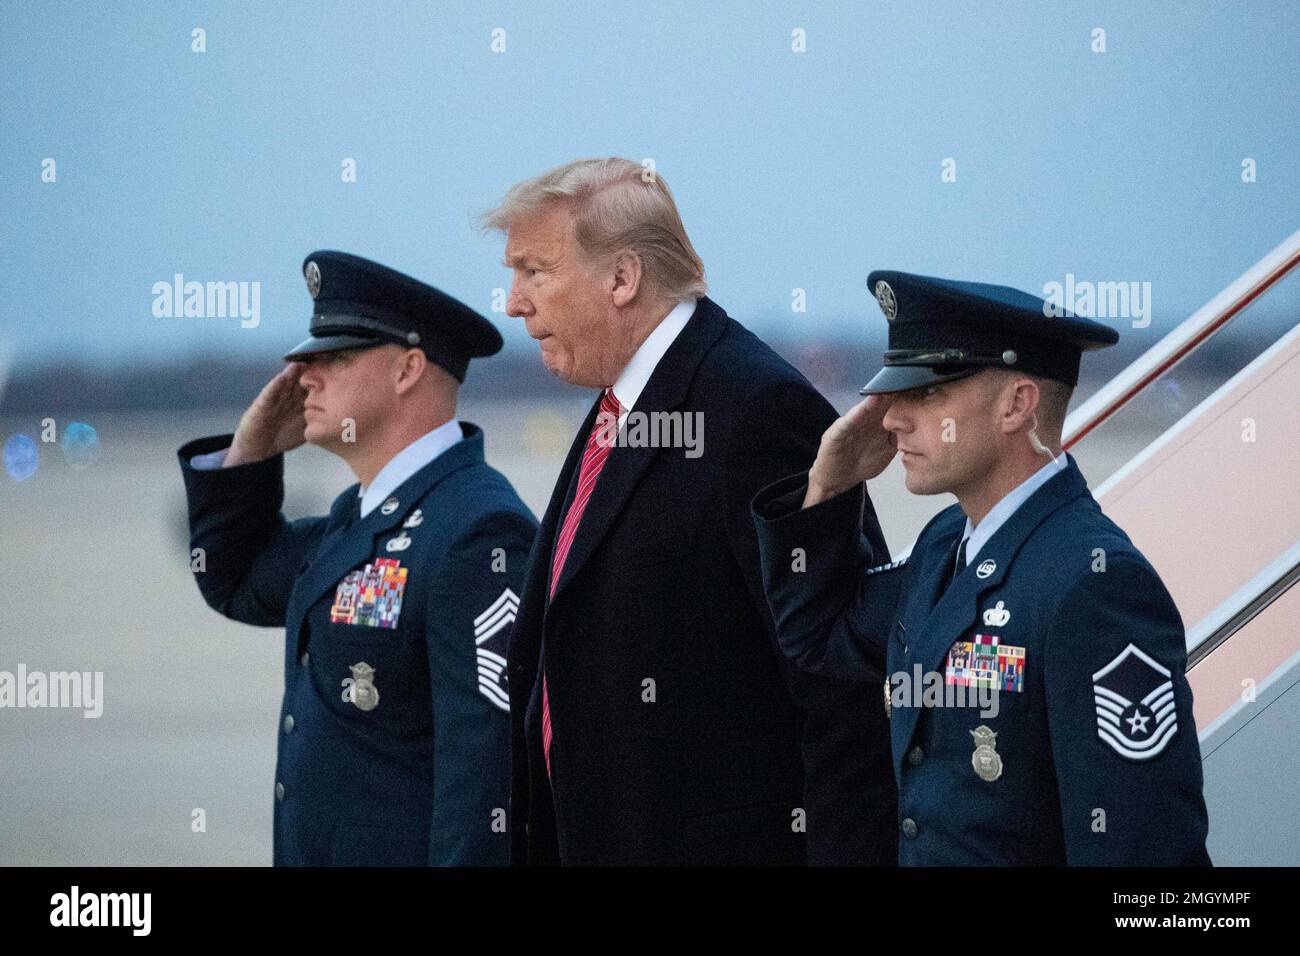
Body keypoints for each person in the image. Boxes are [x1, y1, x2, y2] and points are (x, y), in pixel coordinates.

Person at [483, 158, 897, 865]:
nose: (513, 302)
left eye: (534, 271)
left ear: (622, 277)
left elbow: (839, 685)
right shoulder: (621, 404)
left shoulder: (754, 409)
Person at [751, 270, 1211, 865]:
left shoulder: (1094, 583)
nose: (890, 420)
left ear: (1017, 405)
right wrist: (828, 486)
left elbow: (1143, 859)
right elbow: (819, 635)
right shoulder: (947, 545)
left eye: (925, 394)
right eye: (894, 395)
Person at [177, 250, 537, 866]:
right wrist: (249, 453)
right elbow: (232, 580)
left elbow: (485, 780)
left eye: (334, 357)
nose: (302, 376)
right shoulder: (357, 516)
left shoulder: (477, 531)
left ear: (408, 371)